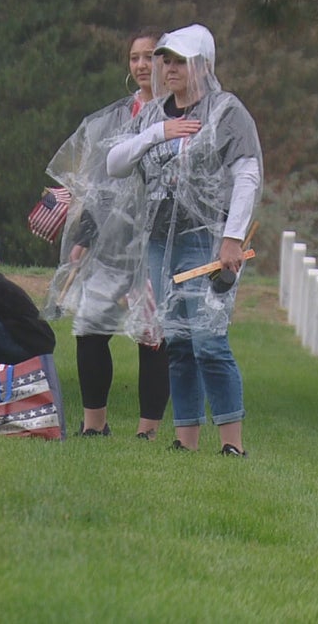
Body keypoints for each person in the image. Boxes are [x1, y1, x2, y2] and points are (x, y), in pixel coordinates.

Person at [106, 23, 263, 457]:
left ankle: (232, 444)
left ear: (203, 65)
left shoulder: (226, 112)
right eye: (167, 61)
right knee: (175, 339)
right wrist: (157, 134)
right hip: (161, 241)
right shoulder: (154, 114)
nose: (170, 69)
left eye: (180, 61)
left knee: (208, 339)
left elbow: (246, 175)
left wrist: (231, 238)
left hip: (207, 241)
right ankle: (185, 440)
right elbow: (114, 163)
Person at [43, 29, 171, 439]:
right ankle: (93, 423)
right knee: (90, 327)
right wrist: (82, 237)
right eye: (135, 57)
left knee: (152, 334)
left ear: (166, 62)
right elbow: (96, 186)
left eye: (150, 56)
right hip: (110, 246)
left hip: (157, 244)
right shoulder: (111, 120)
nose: (142, 65)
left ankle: (147, 429)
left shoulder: (179, 116)